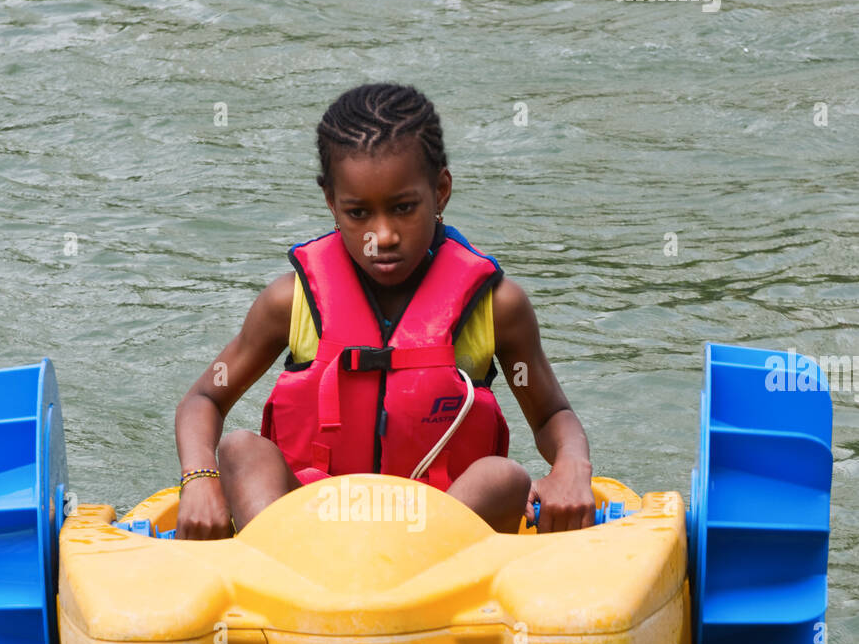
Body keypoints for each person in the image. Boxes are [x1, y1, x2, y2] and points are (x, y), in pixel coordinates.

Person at [175, 83, 595, 539]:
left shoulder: (497, 309)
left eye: (403, 208)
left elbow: (551, 414)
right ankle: (274, 577)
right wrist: (199, 480)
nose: (384, 236)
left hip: (440, 537)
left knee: (503, 477)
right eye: (359, 214)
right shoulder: (288, 303)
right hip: (307, 542)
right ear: (331, 203)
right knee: (241, 450)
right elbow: (205, 398)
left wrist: (571, 467)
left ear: (441, 190)